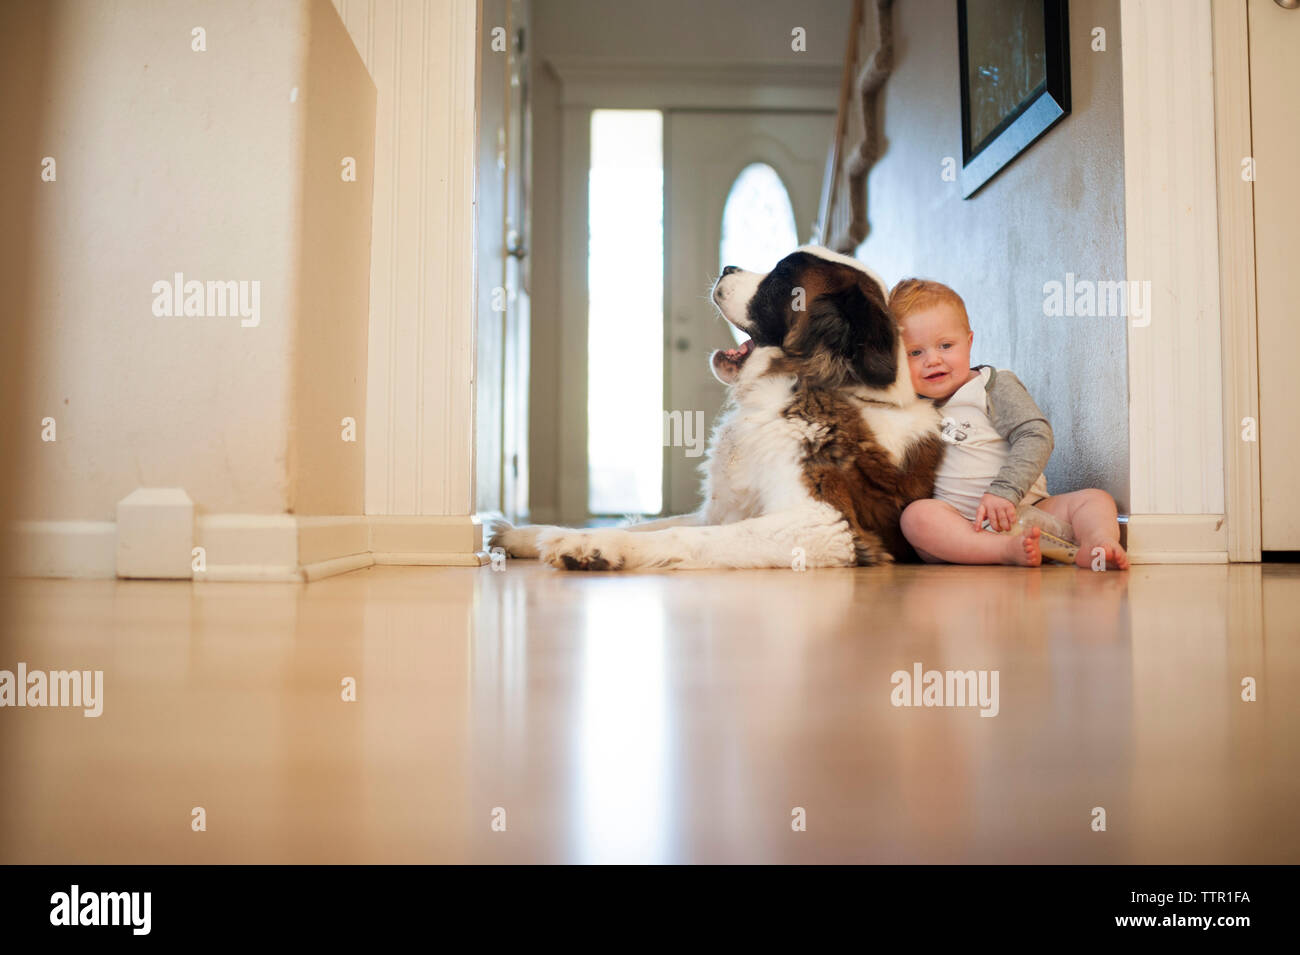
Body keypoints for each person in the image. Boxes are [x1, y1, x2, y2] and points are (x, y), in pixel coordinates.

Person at [892, 278, 1129, 570]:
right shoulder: (911, 406)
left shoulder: (991, 386)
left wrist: (1004, 491)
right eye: (915, 352)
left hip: (1029, 509)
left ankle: (1097, 544)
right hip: (964, 525)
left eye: (945, 345)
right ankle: (1004, 550)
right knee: (916, 518)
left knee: (1095, 500)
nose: (933, 360)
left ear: (969, 342)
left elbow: (1036, 435)